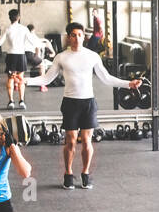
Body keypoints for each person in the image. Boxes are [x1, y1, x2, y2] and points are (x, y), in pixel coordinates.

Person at [38, 21, 141, 190]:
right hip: (70, 102)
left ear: (83, 36)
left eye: (80, 35)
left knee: (86, 141)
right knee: (70, 141)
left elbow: (106, 78)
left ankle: (86, 173)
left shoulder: (92, 56)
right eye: (73, 35)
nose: (77, 38)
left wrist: (128, 84)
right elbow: (46, 79)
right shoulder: (61, 57)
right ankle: (68, 173)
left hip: (88, 102)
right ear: (69, 37)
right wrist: (26, 80)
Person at [0, 8, 34, 111]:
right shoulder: (24, 29)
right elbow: (32, 41)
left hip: (11, 56)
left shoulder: (7, 28)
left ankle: (11, 101)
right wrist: (44, 44)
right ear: (18, 17)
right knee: (20, 78)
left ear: (9, 18)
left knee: (11, 79)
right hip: (21, 55)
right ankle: (21, 101)